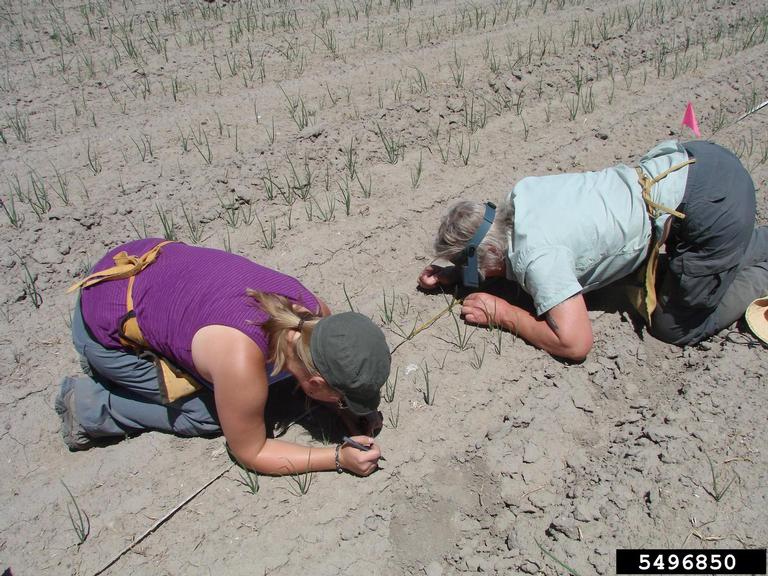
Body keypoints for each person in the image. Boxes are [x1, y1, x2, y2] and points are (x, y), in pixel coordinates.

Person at [57, 238, 391, 477]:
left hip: (144, 258)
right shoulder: (239, 359)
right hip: (104, 321)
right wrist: (337, 457)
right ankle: (91, 406)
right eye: (341, 397)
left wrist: (344, 410)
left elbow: (312, 368)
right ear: (316, 383)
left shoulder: (314, 313)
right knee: (210, 415)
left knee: (256, 391)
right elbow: (252, 451)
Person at [418, 140, 768, 361]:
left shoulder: (537, 257)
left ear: (489, 256)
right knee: (683, 274)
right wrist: (455, 274)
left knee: (673, 327)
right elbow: (496, 254)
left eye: (473, 269)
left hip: (713, 205)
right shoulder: (523, 196)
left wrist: (504, 314)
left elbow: (575, 343)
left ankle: (759, 271)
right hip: (695, 162)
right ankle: (739, 249)